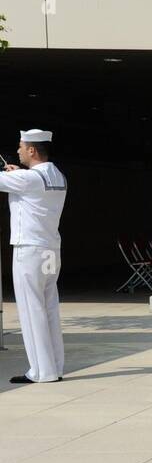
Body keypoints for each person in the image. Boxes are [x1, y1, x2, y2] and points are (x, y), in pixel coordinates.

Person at [2, 129, 67, 384]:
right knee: (49, 308)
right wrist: (18, 174)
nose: (18, 151)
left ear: (31, 150)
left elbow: (25, 183)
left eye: (21, 146)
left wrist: (17, 175)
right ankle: (56, 367)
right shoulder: (59, 176)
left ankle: (41, 371)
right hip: (51, 249)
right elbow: (33, 185)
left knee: (31, 311)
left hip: (29, 250)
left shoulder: (27, 179)